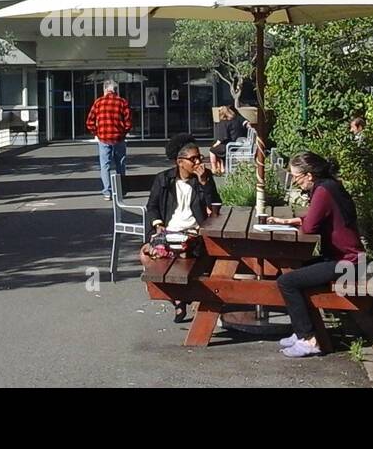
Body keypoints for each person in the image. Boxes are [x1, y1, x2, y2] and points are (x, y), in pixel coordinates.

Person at [267, 151, 366, 358]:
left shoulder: (322, 191)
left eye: (296, 177)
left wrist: (297, 222)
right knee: (294, 273)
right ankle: (301, 330)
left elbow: (311, 227)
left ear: (309, 175)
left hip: (347, 262)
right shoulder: (330, 186)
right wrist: (290, 221)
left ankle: (308, 340)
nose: (295, 182)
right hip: (347, 258)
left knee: (288, 281)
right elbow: (319, 217)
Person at [141, 136, 222, 322]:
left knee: (184, 257)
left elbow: (216, 205)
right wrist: (158, 225)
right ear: (180, 162)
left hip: (193, 232)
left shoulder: (204, 178)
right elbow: (152, 206)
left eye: (200, 158)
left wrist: (204, 183)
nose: (198, 162)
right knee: (146, 255)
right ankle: (176, 298)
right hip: (168, 230)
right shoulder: (164, 179)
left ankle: (182, 297)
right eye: (193, 159)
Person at [86, 79, 133, 200]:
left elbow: (89, 122)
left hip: (104, 138)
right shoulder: (122, 102)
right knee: (120, 165)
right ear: (115, 90)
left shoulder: (98, 102)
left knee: (105, 166)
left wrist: (97, 133)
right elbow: (128, 122)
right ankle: (121, 190)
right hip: (119, 138)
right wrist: (123, 133)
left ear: (105, 89)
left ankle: (107, 192)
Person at [210, 105, 250, 174]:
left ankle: (214, 168)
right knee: (219, 150)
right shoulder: (238, 119)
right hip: (239, 144)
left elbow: (222, 138)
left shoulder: (224, 123)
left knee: (212, 150)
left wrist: (214, 146)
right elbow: (247, 123)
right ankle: (222, 168)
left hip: (230, 146)